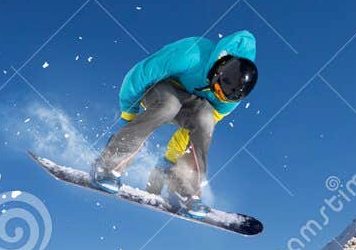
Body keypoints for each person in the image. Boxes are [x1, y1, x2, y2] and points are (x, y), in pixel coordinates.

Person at [91, 31, 258, 211]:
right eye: (216, 89)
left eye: (222, 97)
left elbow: (198, 130)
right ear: (218, 72)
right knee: (169, 105)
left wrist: (169, 161)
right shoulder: (191, 54)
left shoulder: (230, 101)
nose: (217, 96)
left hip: (190, 102)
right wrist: (128, 116)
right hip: (158, 90)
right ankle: (109, 164)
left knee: (205, 119)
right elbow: (140, 74)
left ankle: (183, 188)